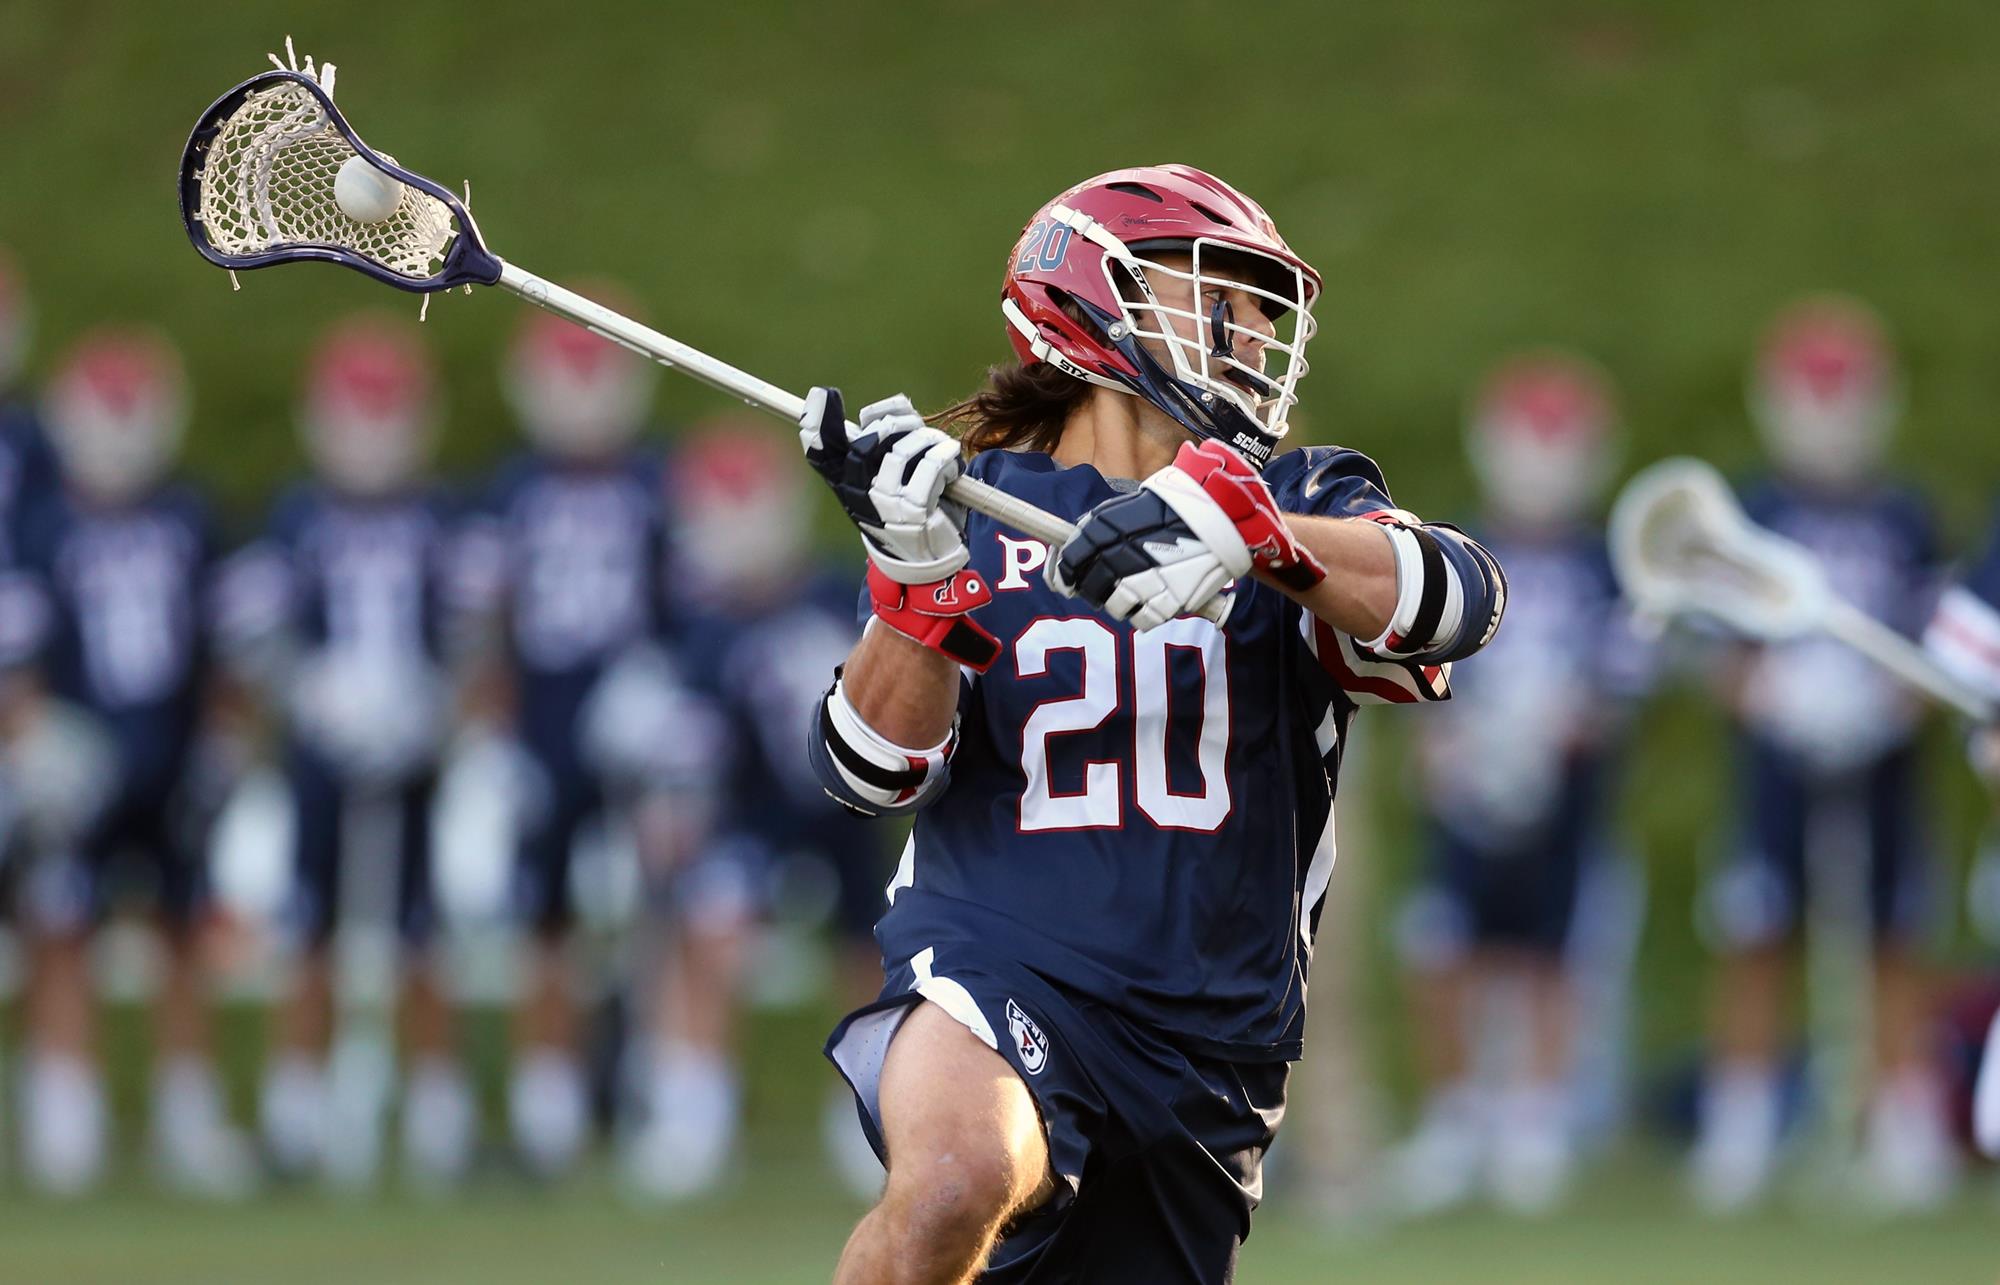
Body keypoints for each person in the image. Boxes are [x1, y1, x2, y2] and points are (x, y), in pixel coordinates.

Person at [807, 165, 1506, 1284]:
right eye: (1215, 291)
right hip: (1002, 960)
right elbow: (870, 771)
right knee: (953, 1180)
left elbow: (1460, 599)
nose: (1252, 329)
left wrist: (1256, 534)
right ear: (1092, 296)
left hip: (1208, 1043)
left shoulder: (1302, 500)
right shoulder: (966, 512)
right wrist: (912, 588)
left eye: (1264, 306)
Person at [1689, 296, 1952, 1212]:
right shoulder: (1753, 509)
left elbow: (1937, 639)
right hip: (1777, 759)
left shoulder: (1907, 513)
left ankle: (1903, 1122)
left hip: (1881, 761)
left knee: (1891, 934)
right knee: (1757, 930)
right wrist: (1771, 696)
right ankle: (1742, 1125)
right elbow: (1717, 642)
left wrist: (1889, 702)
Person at [222, 317, 475, 1187]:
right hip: (322, 757)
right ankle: (298, 1113)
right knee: (310, 929)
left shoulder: (441, 514)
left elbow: (476, 628)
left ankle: (438, 1113)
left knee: (419, 932)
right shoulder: (296, 515)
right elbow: (252, 626)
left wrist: (433, 701)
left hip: (415, 752)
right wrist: (307, 688)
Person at [0, 328, 250, 1197]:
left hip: (171, 755)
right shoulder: (42, 523)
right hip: (81, 760)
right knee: (62, 931)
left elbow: (225, 649)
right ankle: (69, 1112)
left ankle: (188, 1114)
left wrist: (225, 740)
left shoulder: (189, 512)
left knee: (182, 934)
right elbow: (18, 653)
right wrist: (31, 738)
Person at [1390, 352, 1641, 1215]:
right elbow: (1410, 660)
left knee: (1551, 955)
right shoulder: (1454, 543)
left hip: (1566, 795)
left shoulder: (1606, 558)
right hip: (1468, 788)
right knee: (1442, 946)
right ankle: (1457, 1115)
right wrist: (1446, 743)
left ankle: (1534, 1114)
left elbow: (1624, 673)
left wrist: (1558, 730)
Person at [625, 422, 881, 1200]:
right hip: (748, 813)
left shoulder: (841, 590)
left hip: (847, 806)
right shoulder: (697, 628)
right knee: (708, 924)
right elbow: (685, 744)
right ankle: (694, 1107)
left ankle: (871, 1106)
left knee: (876, 946)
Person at [455, 289, 672, 1178]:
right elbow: (480, 620)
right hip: (542, 721)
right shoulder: (509, 488)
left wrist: (668, 684)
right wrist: (488, 730)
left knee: (655, 913)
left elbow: (688, 600)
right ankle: (548, 1104)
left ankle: (656, 1092)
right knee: (541, 915)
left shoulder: (656, 480)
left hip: (638, 714)